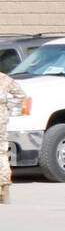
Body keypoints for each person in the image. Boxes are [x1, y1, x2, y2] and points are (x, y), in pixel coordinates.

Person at [0, 67, 27, 205]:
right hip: (1, 120)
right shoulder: (4, 78)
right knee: (2, 153)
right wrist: (6, 107)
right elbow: (21, 95)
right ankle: (4, 187)